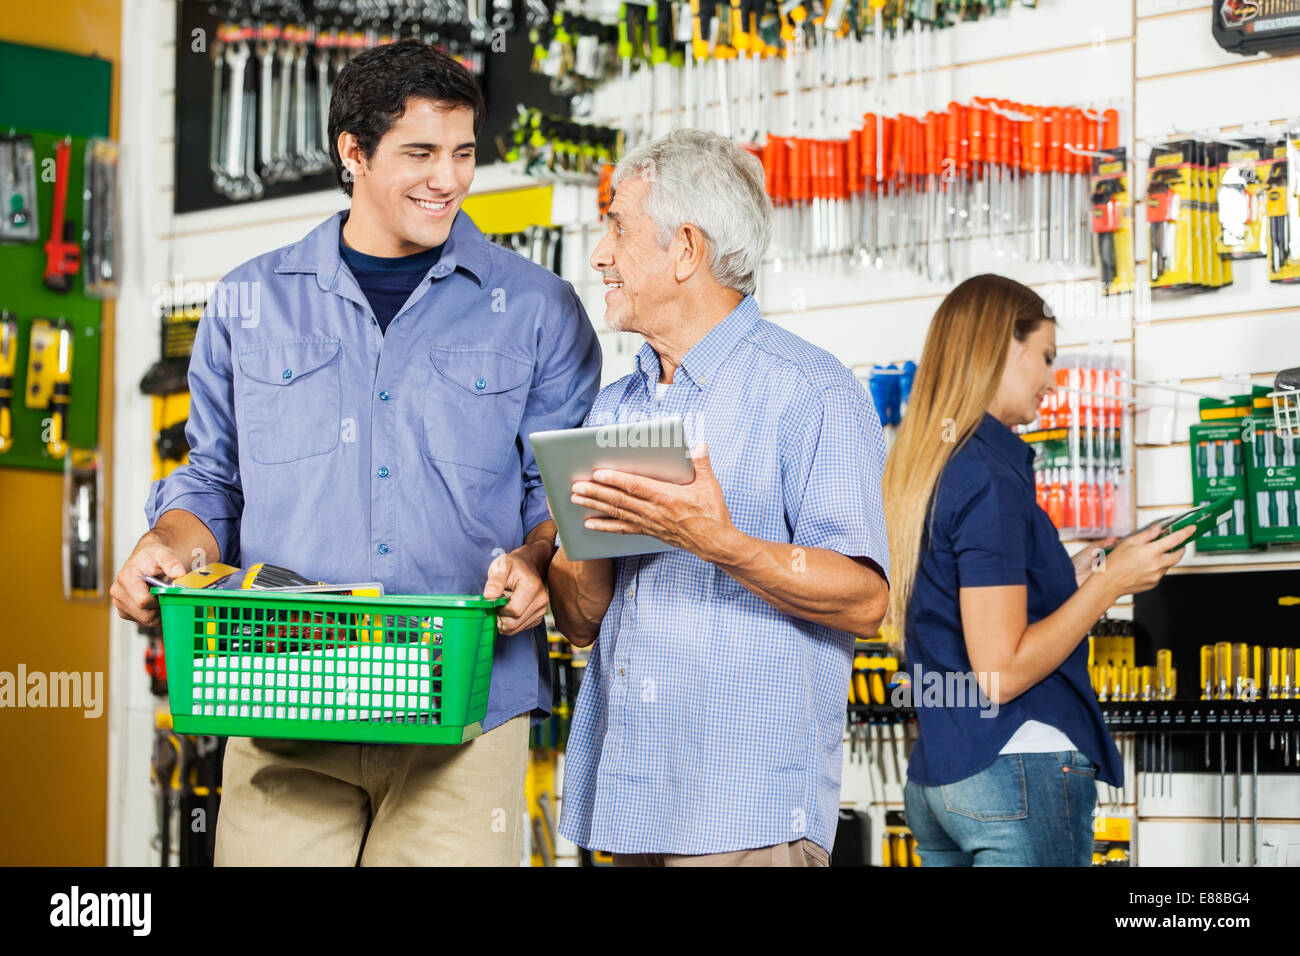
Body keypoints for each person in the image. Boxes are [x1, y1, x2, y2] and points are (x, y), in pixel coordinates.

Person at [109, 41, 602, 865]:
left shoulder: (540, 309)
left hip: (466, 716)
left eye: (463, 153)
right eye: (419, 153)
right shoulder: (248, 303)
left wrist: (536, 561)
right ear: (352, 153)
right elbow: (213, 482)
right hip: (280, 700)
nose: (447, 178)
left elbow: (555, 500)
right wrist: (169, 544)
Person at [547, 129, 890, 867]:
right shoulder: (614, 408)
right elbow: (580, 623)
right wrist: (565, 549)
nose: (600, 255)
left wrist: (720, 543)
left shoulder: (812, 392)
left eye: (617, 227)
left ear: (685, 249)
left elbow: (865, 600)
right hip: (629, 805)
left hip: (745, 814)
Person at [883, 273, 1192, 866]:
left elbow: (961, 601)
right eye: (1046, 357)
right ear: (1001, 345)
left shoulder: (932, 466)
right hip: (1015, 769)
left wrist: (1069, 573)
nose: (1052, 379)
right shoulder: (989, 479)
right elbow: (1000, 672)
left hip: (942, 776)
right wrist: (1111, 584)